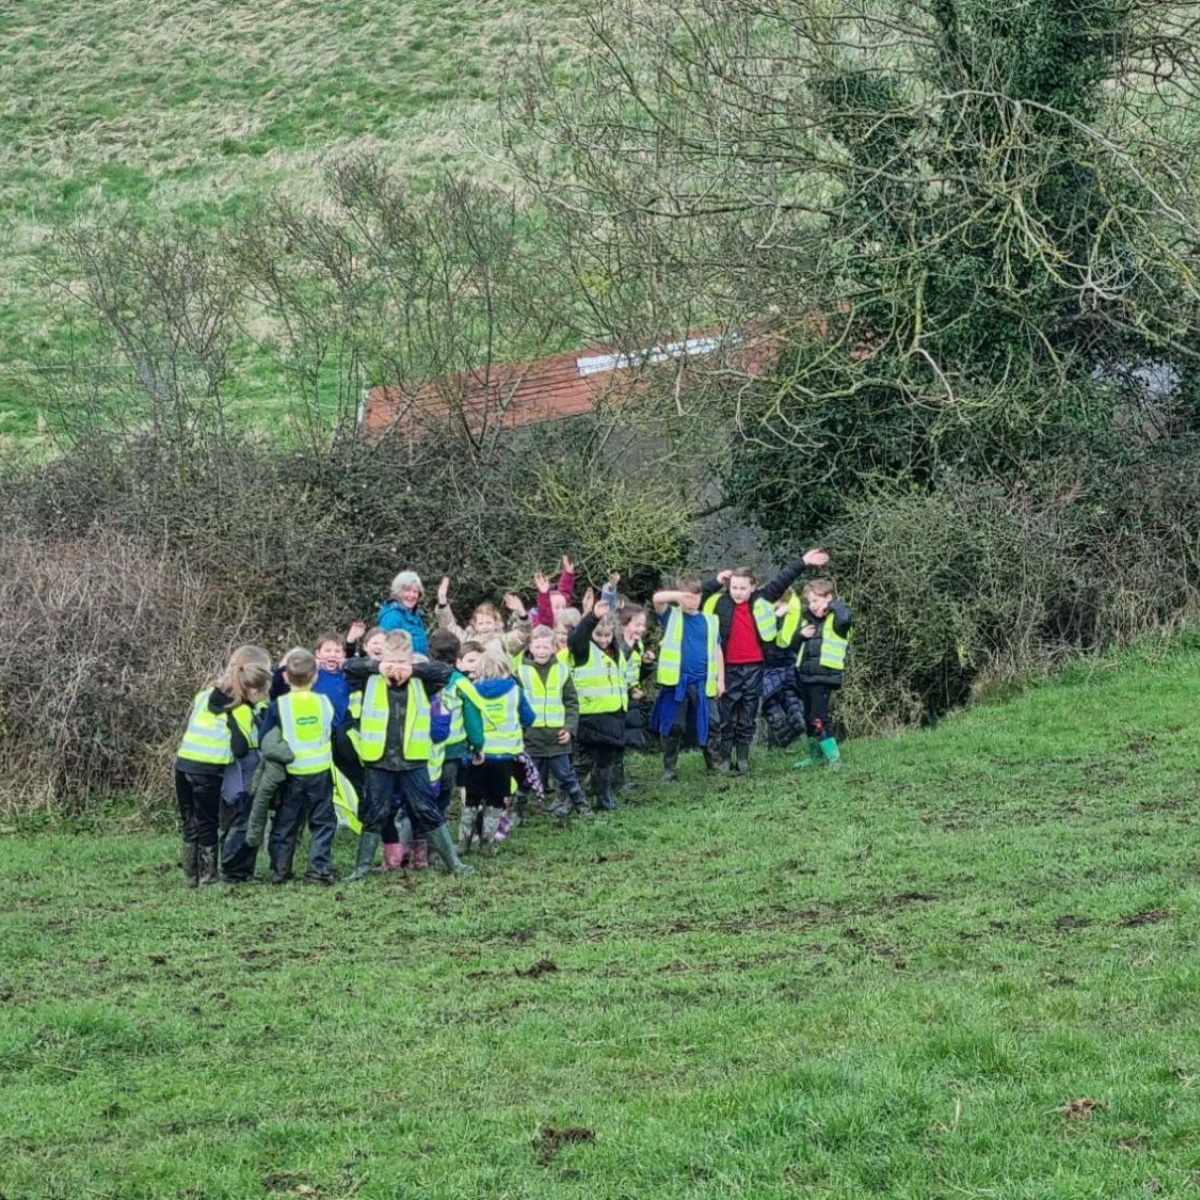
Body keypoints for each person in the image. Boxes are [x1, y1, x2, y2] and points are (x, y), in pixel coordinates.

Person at [344, 630, 473, 876]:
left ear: (412, 659)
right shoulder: (369, 676)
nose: (396, 668)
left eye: (402, 662)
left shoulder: (423, 679)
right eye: (391, 661)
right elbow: (349, 667)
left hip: (413, 759)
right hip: (378, 758)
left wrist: (413, 670)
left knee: (427, 809)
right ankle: (360, 868)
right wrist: (379, 666)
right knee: (374, 812)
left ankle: (455, 864)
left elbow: (445, 672)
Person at [702, 548, 829, 773]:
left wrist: (803, 562)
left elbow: (782, 580)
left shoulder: (761, 599)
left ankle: (742, 758)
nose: (738, 593)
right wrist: (715, 581)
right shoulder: (720, 602)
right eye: (734, 588)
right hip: (728, 667)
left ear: (752, 587)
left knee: (748, 714)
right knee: (727, 715)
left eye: (743, 588)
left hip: (755, 665)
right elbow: (693, 598)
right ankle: (723, 758)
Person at [174, 645, 272, 887]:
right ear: (253, 686)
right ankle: (208, 878)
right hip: (208, 770)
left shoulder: (205, 694)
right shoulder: (239, 708)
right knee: (208, 823)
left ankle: (190, 876)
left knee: (190, 821)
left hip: (183, 763)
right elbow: (242, 746)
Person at [264, 648, 339, 884]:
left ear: (285, 677)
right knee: (323, 823)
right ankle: (318, 869)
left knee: (286, 823)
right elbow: (332, 728)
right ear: (315, 676)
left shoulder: (279, 705)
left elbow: (266, 737)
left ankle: (280, 870)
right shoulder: (324, 702)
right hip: (320, 772)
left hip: (291, 773)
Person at [457, 648, 536, 853]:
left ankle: (463, 842)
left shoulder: (471, 689)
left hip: (478, 755)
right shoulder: (515, 691)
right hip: (505, 756)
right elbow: (529, 718)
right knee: (495, 800)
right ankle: (487, 845)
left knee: (472, 799)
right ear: (507, 668)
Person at [650, 576, 725, 782]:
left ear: (701, 597)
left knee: (712, 723)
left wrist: (721, 680)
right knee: (673, 726)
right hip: (676, 683)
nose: (691, 601)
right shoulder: (671, 615)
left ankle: (714, 765)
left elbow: (717, 651)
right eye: (686, 597)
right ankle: (670, 769)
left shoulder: (710, 620)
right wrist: (678, 596)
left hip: (704, 682)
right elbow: (657, 598)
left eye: (695, 597)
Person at [781, 579, 853, 770]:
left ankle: (834, 759)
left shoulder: (837, 619)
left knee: (819, 717)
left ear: (828, 598)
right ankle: (815, 756)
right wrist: (800, 635)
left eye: (815, 600)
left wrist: (832, 605)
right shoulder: (808, 621)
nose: (811, 606)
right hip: (805, 676)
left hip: (825, 676)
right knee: (808, 718)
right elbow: (792, 647)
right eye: (809, 602)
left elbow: (846, 618)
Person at [518, 623, 588, 819]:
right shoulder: (521, 672)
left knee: (566, 774)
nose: (541, 651)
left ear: (554, 647)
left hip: (558, 736)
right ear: (530, 647)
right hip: (532, 736)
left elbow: (572, 702)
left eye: (546, 647)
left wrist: (569, 728)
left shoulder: (562, 670)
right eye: (538, 647)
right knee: (525, 776)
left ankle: (582, 807)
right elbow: (514, 705)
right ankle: (517, 812)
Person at [567, 598, 627, 811]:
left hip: (613, 714)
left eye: (607, 635)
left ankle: (604, 798)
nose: (603, 640)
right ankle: (570, 800)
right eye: (598, 634)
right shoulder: (582, 650)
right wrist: (592, 617)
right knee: (584, 762)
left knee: (606, 761)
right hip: (590, 714)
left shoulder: (616, 651)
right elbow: (576, 638)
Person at [434, 576, 531, 656]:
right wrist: (442, 601)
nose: (485, 626)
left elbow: (523, 634)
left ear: (496, 624)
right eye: (481, 623)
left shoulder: (504, 640)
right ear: (475, 625)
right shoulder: (467, 640)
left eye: (488, 622)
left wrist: (521, 611)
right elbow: (449, 628)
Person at [377, 570, 430, 657]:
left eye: (415, 591)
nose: (411, 595)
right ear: (397, 591)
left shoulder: (416, 615)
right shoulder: (392, 616)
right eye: (407, 590)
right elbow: (387, 648)